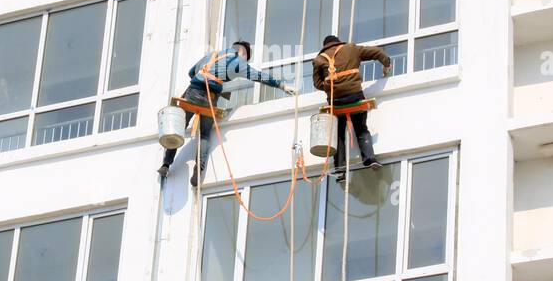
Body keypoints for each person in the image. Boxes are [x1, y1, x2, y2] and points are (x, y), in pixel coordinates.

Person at [159, 40, 296, 187]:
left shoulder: (213, 55)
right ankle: (199, 168)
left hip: (194, 92)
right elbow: (259, 75)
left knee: (178, 128)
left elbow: (191, 72)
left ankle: (166, 165)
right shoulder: (238, 62)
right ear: (243, 53)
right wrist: (282, 85)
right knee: (204, 134)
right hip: (209, 99)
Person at [312, 34, 391, 179]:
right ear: (338, 42)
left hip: (336, 102)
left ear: (325, 46)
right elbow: (377, 53)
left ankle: (341, 170)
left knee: (339, 135)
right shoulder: (351, 49)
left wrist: (331, 85)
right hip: (354, 96)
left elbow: (317, 84)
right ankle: (369, 159)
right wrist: (387, 64)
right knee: (361, 128)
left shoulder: (319, 59)